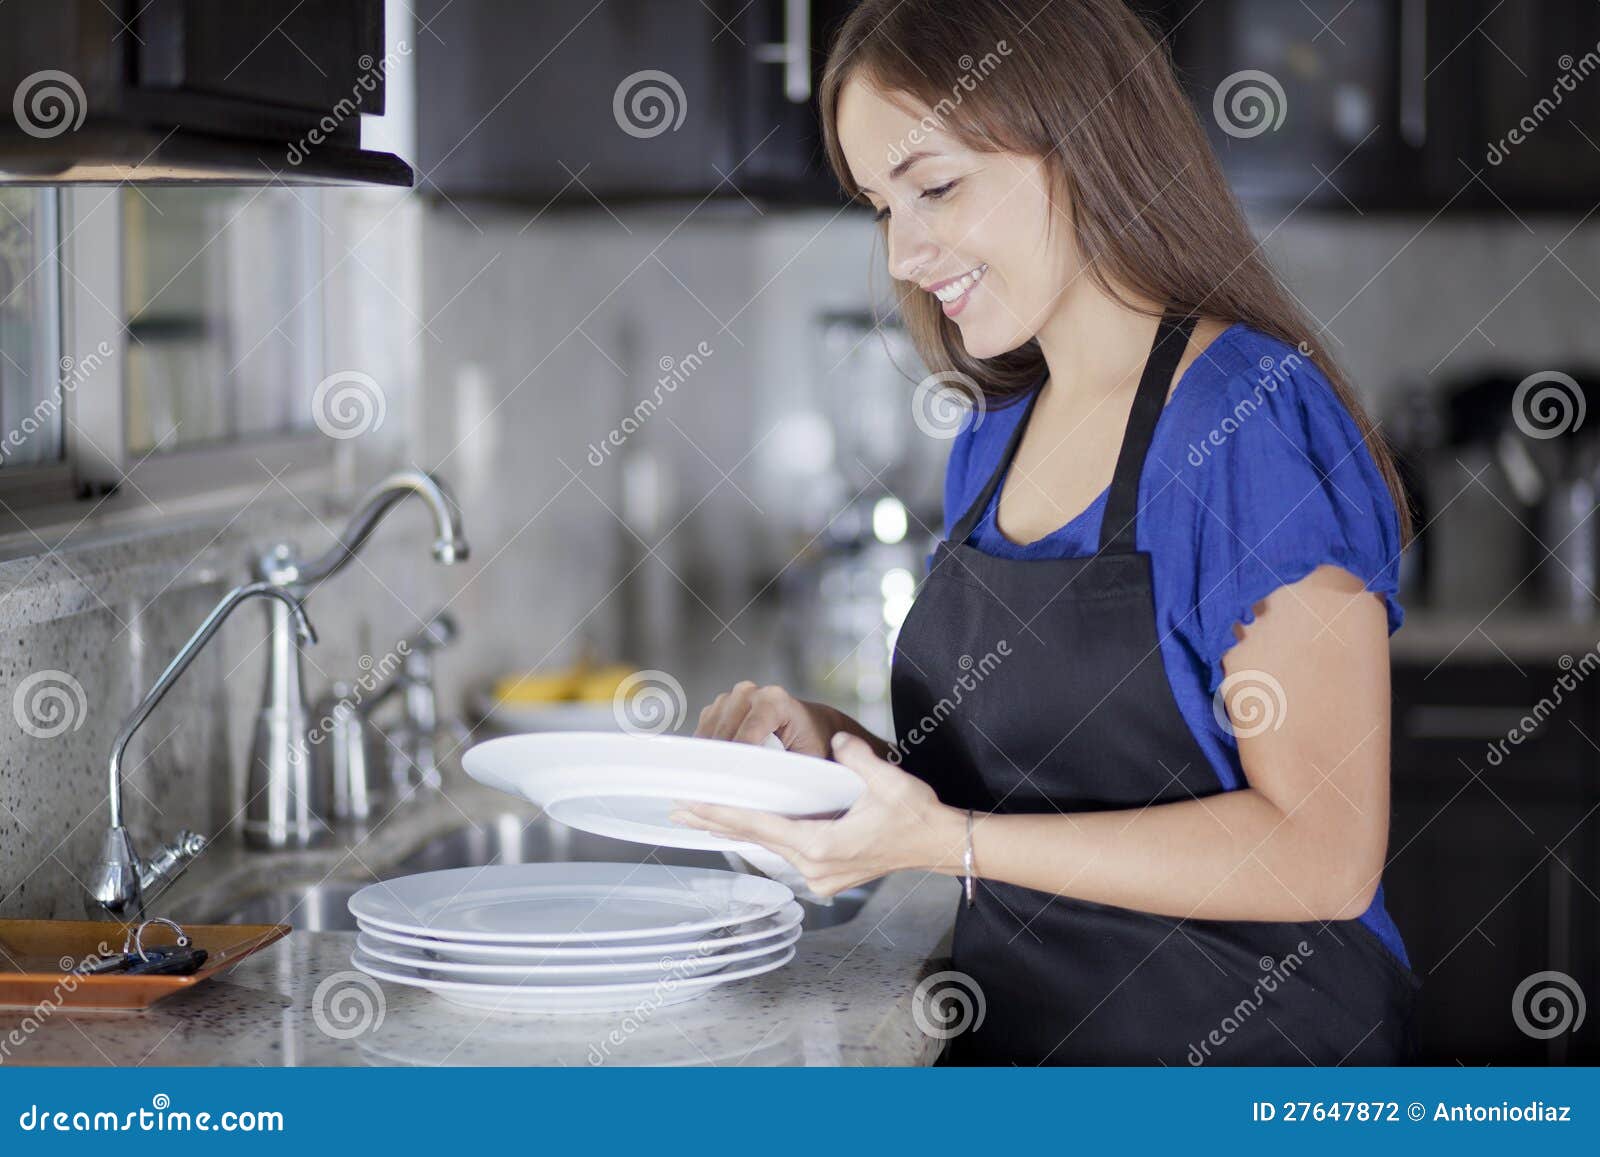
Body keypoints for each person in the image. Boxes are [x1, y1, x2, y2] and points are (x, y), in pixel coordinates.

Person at [672, 0, 1421, 1066]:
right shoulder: (997, 433)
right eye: (880, 206)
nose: (902, 254)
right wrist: (835, 759)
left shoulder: (1242, 420)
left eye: (934, 187)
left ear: (1082, 138)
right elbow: (1032, 790)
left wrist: (948, 843)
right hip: (1032, 1046)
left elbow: (1325, 852)